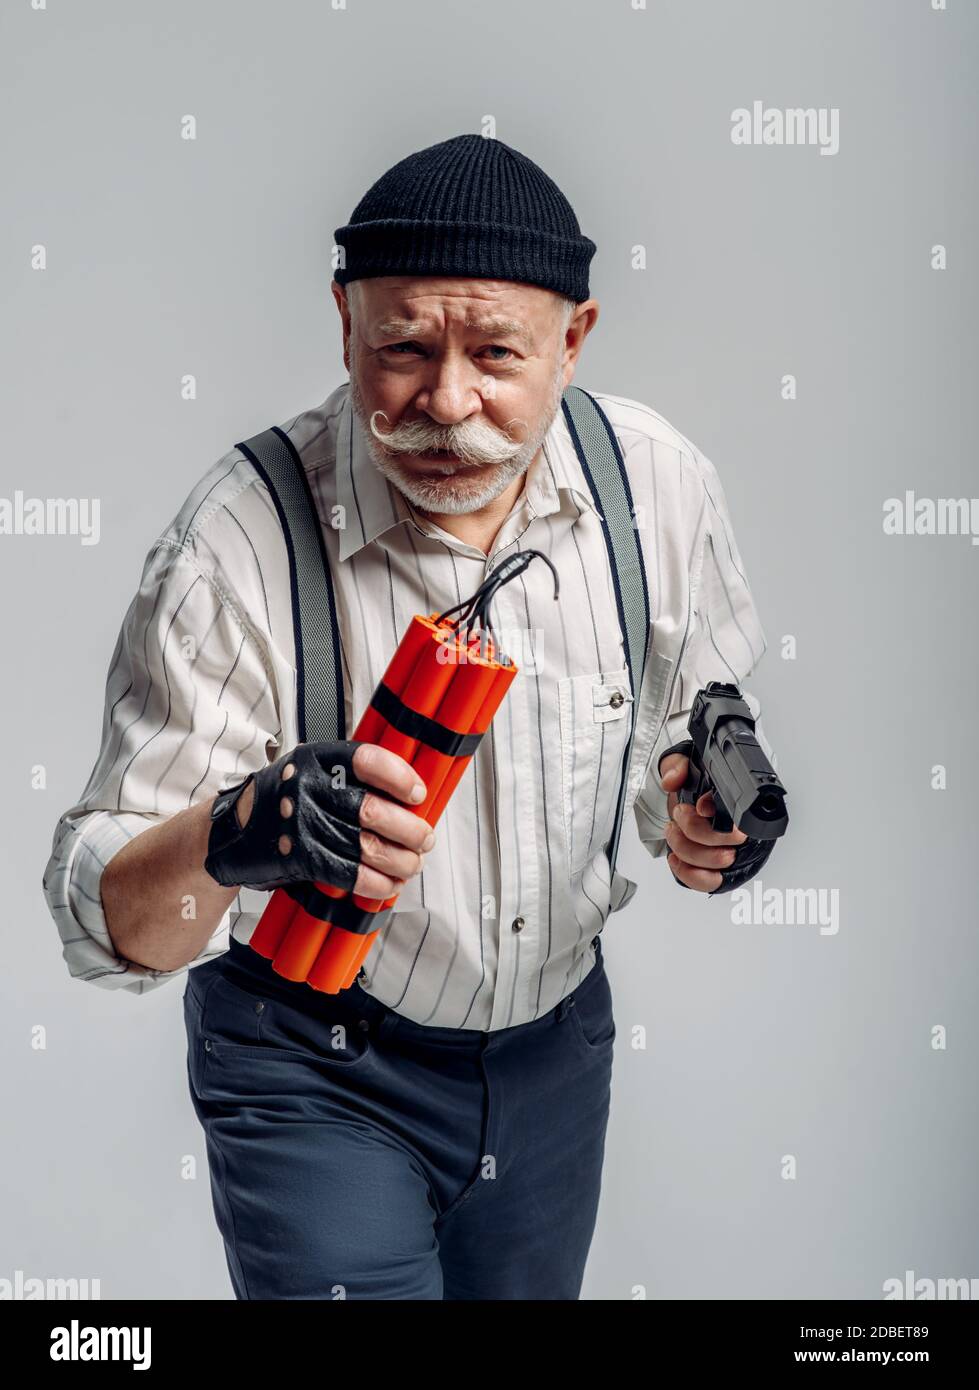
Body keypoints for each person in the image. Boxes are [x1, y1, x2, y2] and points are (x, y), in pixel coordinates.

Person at [42, 132, 780, 1300]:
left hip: (553, 1059)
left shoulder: (656, 488)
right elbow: (113, 922)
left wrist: (698, 818)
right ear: (344, 323)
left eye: (496, 352)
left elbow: (671, 737)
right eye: (400, 348)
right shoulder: (237, 540)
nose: (446, 402)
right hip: (312, 1064)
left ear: (574, 339)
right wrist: (238, 836)